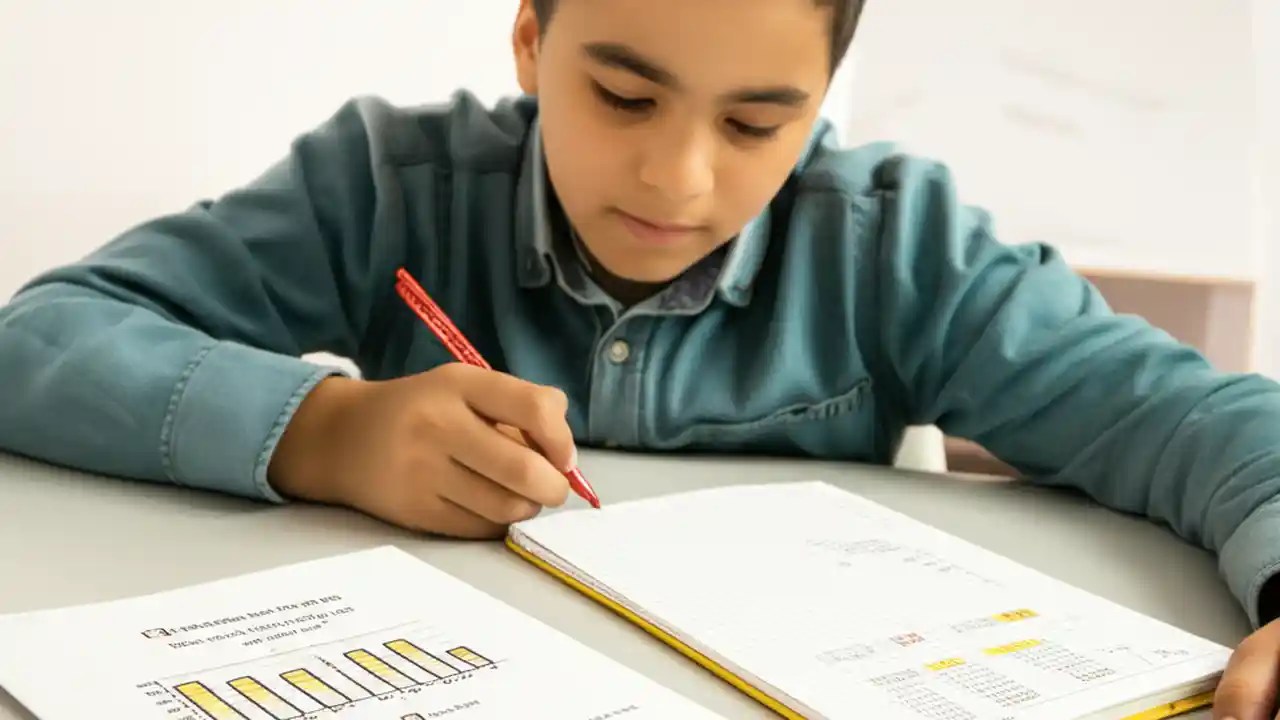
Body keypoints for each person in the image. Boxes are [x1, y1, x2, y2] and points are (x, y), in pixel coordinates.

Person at [0, 0, 1277, 715]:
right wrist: (321, 430)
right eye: (620, 97)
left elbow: (1190, 420)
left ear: (820, 108)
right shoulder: (385, 183)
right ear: (526, 44)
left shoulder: (899, 243)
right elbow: (38, 340)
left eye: (756, 121)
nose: (677, 177)